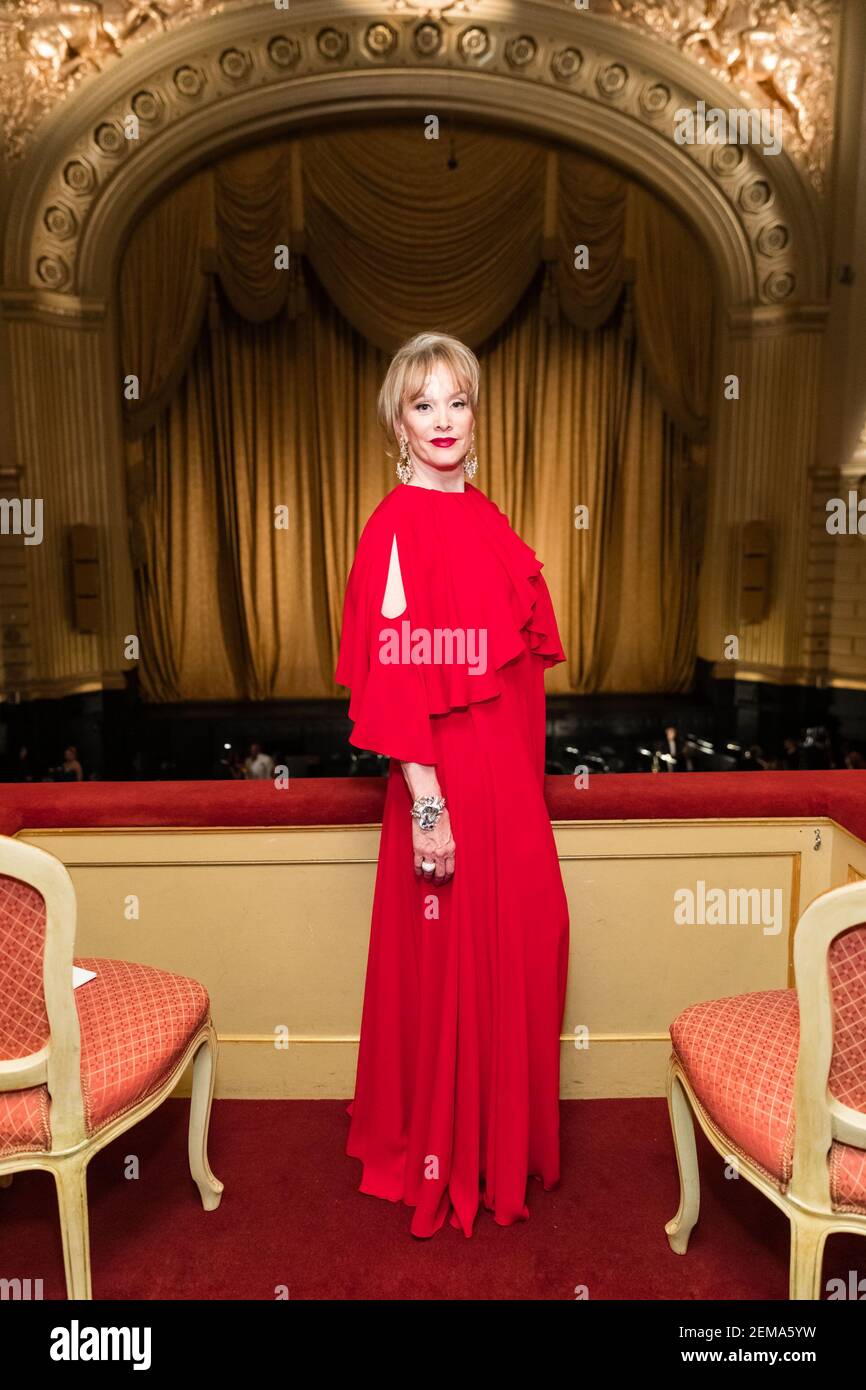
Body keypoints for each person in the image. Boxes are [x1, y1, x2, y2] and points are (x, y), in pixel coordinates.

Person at [335, 331, 570, 1238]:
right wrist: (428, 806)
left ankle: (493, 1146)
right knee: (452, 968)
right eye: (423, 403)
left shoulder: (488, 516)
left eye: (457, 401)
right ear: (398, 419)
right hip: (448, 792)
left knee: (532, 942)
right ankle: (447, 1154)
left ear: (476, 414)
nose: (442, 420)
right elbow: (396, 680)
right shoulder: (394, 527)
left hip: (513, 783)